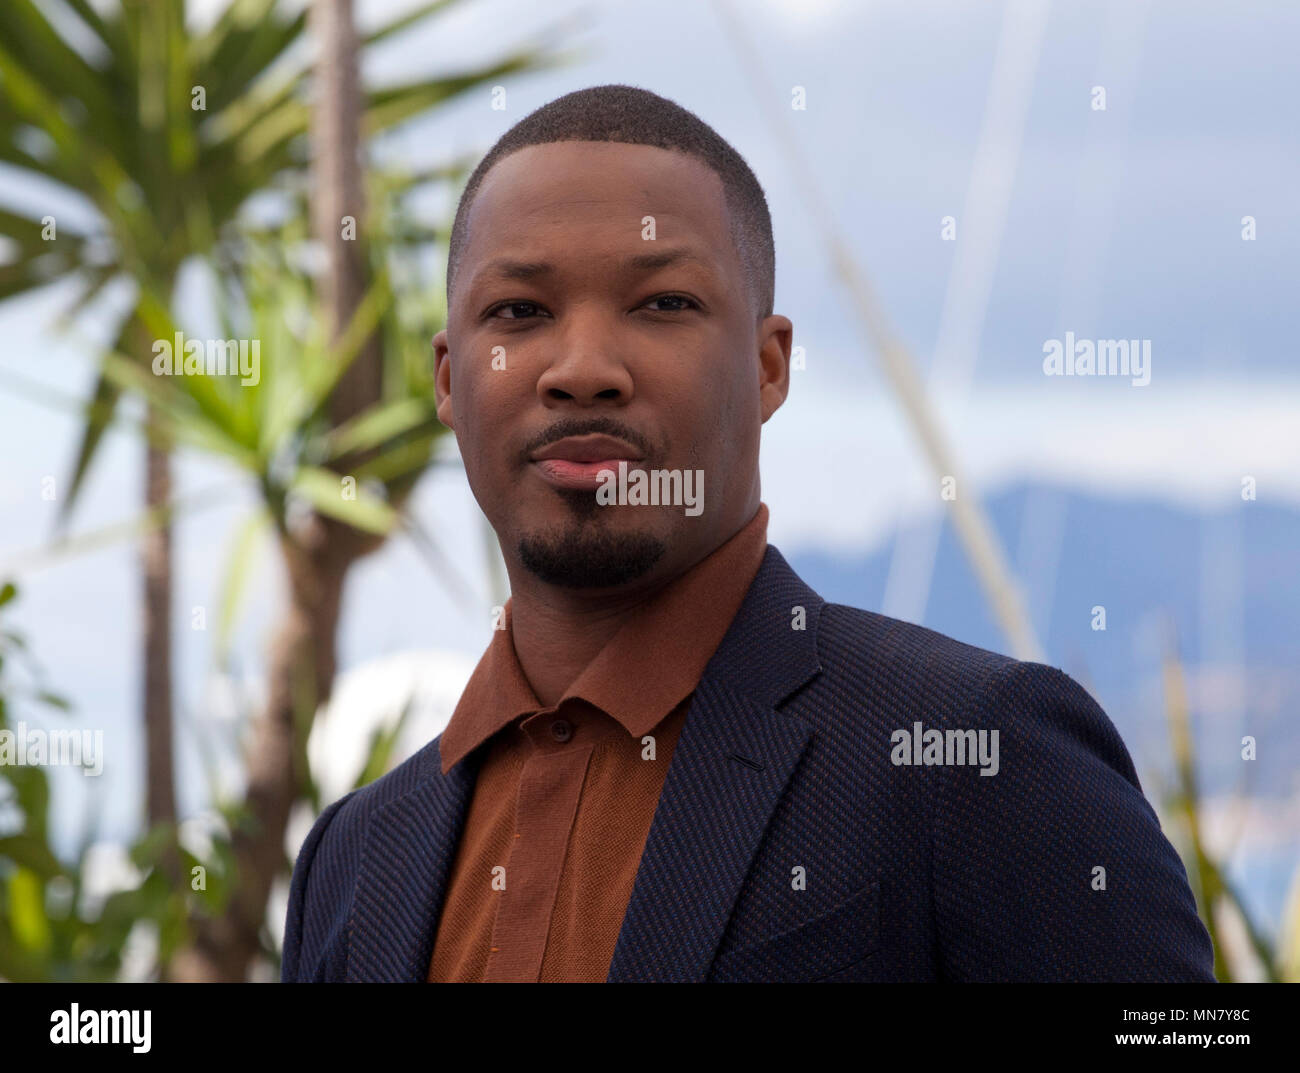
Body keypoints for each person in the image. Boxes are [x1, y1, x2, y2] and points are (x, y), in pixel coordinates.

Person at [281, 84, 1215, 983]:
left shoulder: (970, 750)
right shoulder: (358, 855)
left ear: (770, 367)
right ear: (449, 380)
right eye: (519, 312)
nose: (584, 368)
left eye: (663, 304)